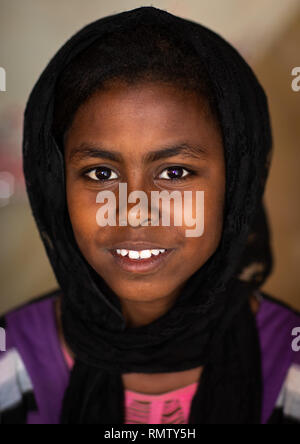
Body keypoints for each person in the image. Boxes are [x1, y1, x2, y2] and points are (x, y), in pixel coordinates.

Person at [1, 6, 300, 424]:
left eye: (175, 172)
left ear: (235, 184)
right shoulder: (11, 355)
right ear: (55, 185)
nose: (135, 211)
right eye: (100, 173)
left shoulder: (290, 360)